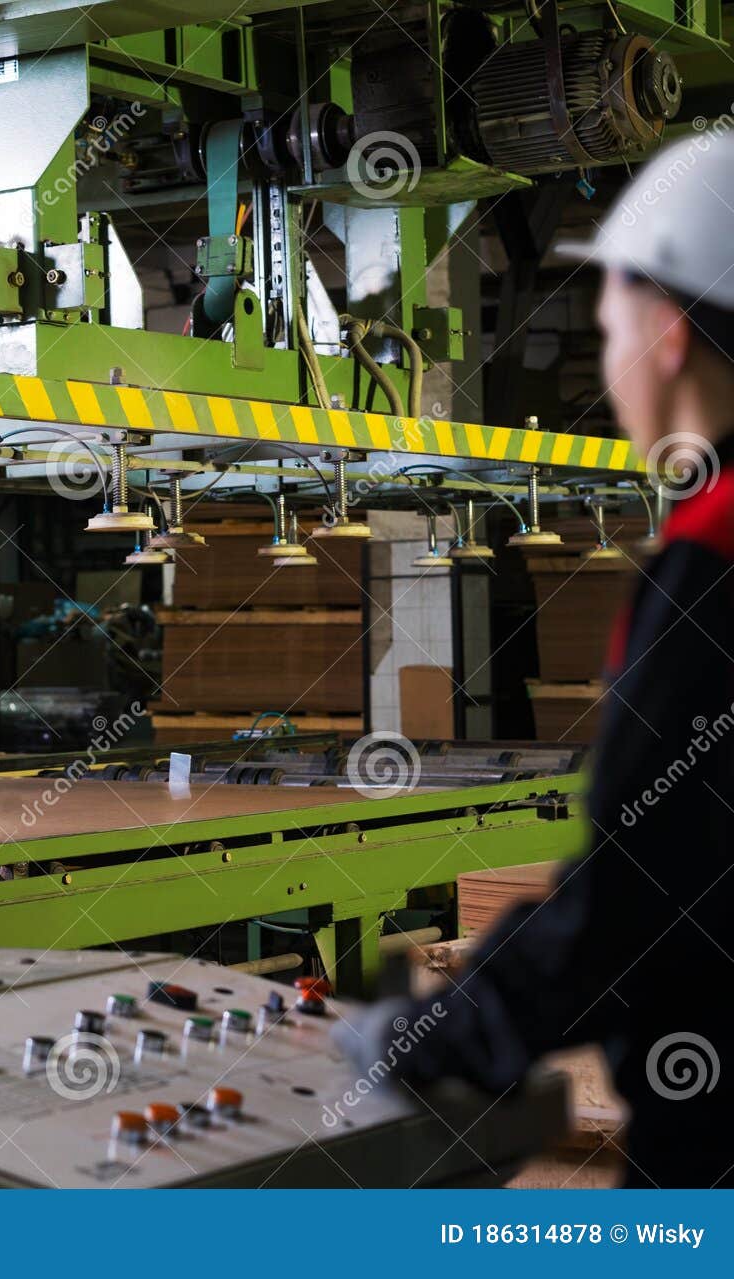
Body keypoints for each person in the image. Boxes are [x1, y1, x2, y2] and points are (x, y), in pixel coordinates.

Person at [340, 131, 734, 1188]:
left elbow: (638, 887)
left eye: (607, 324)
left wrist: (449, 1034)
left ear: (664, 334)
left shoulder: (715, 553)